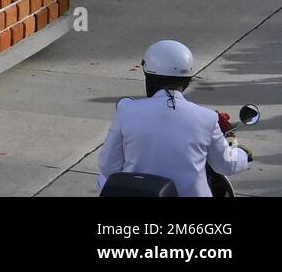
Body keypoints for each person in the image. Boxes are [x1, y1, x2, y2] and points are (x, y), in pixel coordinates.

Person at [98, 40, 251, 197]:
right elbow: (226, 165)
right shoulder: (207, 118)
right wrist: (243, 153)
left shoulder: (127, 111)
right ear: (187, 79)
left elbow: (108, 167)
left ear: (148, 76)